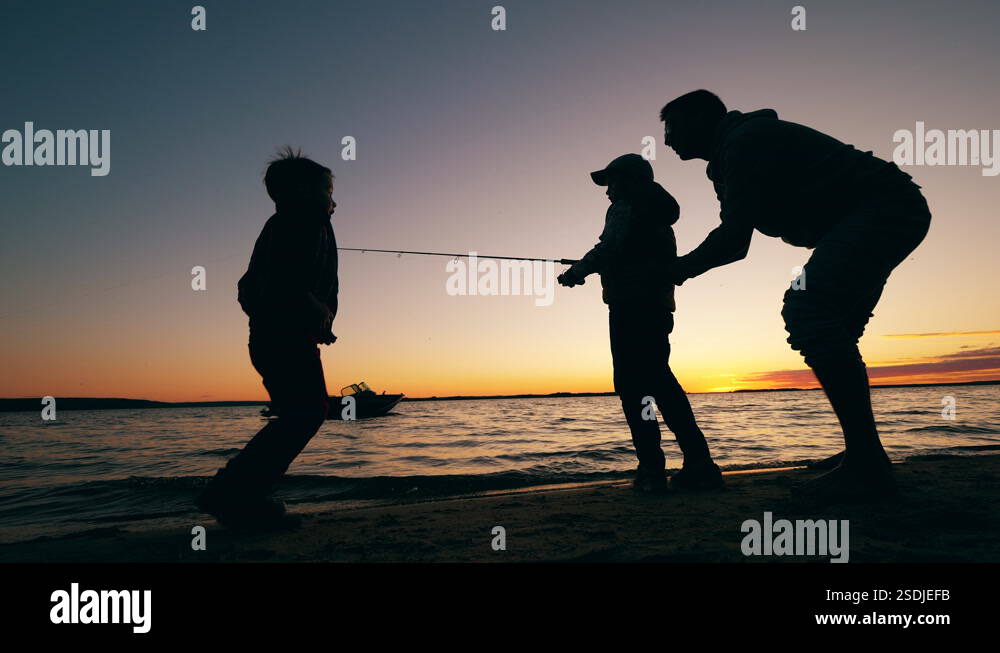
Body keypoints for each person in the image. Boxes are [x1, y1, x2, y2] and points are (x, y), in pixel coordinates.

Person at [659, 90, 931, 502]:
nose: (667, 140)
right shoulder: (738, 147)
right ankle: (864, 455)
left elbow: (734, 240)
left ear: (701, 117)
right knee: (837, 328)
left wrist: (674, 271)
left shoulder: (743, 143)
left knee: (809, 310)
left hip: (884, 209)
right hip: (883, 211)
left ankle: (865, 465)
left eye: (673, 127)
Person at [558, 154, 722, 493]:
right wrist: (601, 264)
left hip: (630, 308)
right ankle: (698, 462)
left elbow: (609, 248)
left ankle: (652, 470)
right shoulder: (660, 215)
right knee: (661, 382)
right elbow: (629, 253)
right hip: (659, 308)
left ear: (631, 180)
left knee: (634, 389)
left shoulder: (626, 206)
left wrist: (577, 272)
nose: (607, 191)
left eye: (611, 182)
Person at [196, 147, 339, 528]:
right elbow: (281, 283)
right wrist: (313, 309)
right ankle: (233, 494)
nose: (334, 201)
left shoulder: (289, 225)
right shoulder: (301, 222)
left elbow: (258, 286)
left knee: (302, 412)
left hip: (278, 337)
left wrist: (318, 320)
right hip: (282, 337)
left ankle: (240, 494)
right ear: (304, 191)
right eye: (328, 191)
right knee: (307, 412)